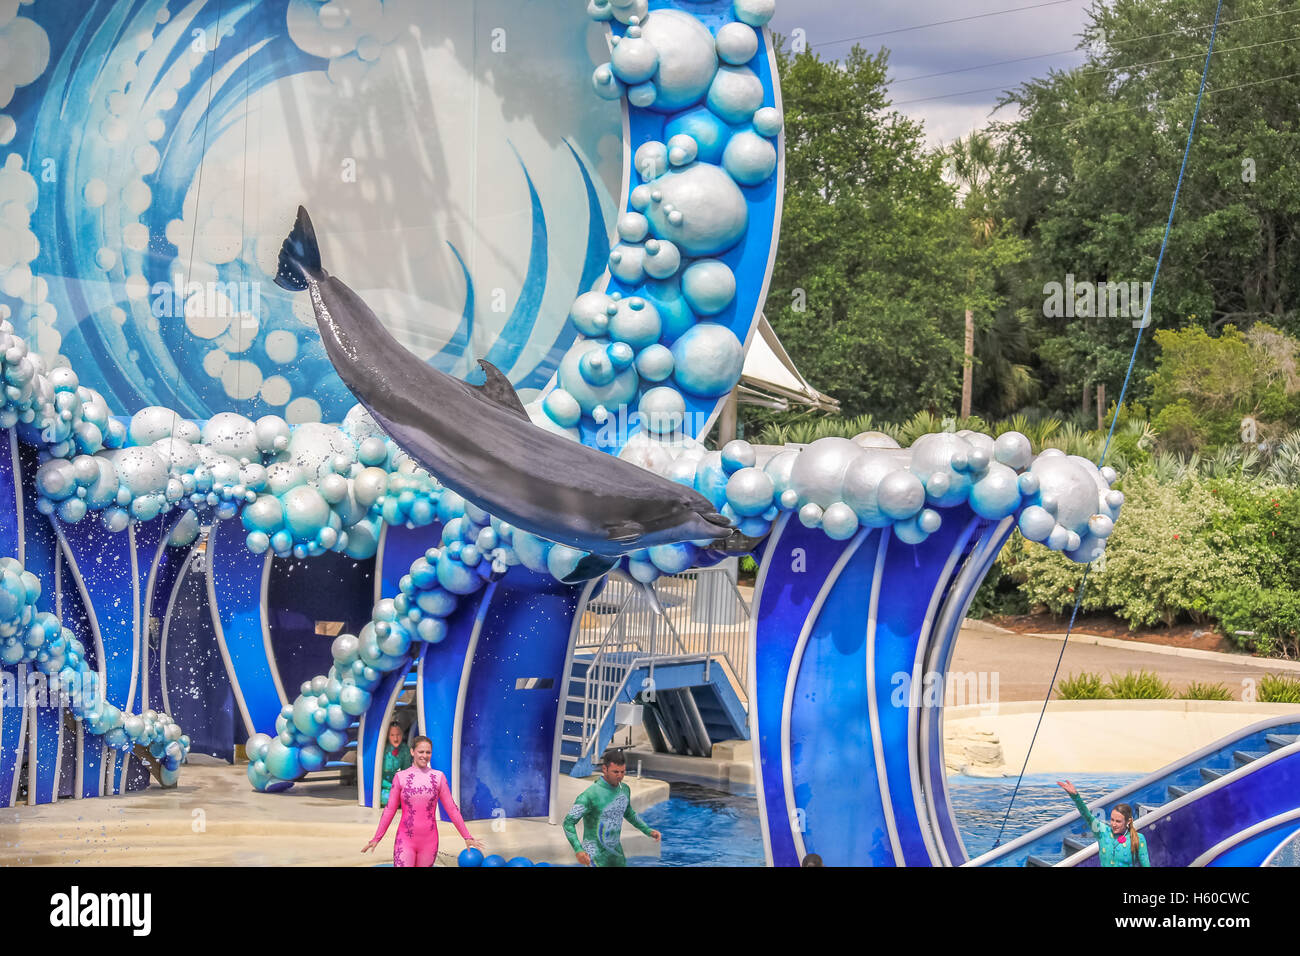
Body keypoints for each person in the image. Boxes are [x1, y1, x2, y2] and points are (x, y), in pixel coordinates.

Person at [363, 736, 485, 866]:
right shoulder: (400, 777)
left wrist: (466, 836)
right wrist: (377, 838)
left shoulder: (438, 777)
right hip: (405, 840)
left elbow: (451, 809)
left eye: (428, 752)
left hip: (429, 842)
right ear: (412, 752)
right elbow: (389, 810)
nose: (425, 756)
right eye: (421, 752)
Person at [563, 749, 661, 867]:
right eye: (615, 772)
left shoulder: (624, 790)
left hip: (616, 855)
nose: (620, 776)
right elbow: (568, 823)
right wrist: (578, 850)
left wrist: (648, 830)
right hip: (594, 857)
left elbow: (628, 812)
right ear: (604, 769)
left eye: (622, 772)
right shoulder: (590, 795)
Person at [1057, 780, 1150, 867]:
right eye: (1112, 820)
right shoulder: (1103, 832)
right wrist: (1076, 797)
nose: (1114, 824)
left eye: (1118, 821)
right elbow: (1087, 816)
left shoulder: (1138, 838)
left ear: (1129, 821)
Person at [379, 721, 411, 807]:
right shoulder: (382, 750)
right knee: (387, 799)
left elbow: (406, 772)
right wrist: (390, 786)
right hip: (385, 787)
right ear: (388, 736)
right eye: (392, 735)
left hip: (400, 787)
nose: (395, 738)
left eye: (398, 735)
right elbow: (378, 776)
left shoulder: (405, 750)